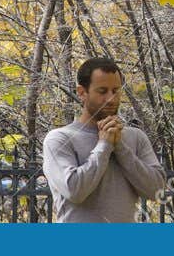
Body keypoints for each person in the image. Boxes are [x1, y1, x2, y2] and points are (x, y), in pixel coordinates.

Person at [42, 57, 166, 222]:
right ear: (81, 92)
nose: (111, 98)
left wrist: (120, 147)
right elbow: (75, 191)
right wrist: (104, 145)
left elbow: (157, 190)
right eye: (102, 91)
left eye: (115, 91)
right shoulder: (59, 139)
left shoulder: (135, 137)